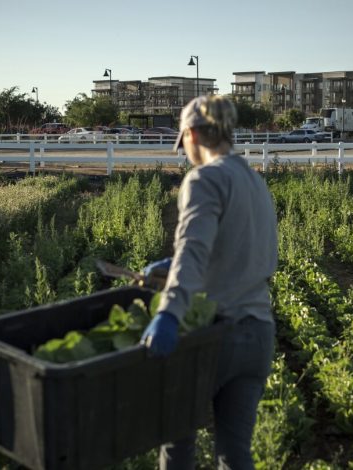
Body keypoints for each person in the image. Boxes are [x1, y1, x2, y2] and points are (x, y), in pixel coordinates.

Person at [140, 95, 278, 470]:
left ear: (195, 133)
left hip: (215, 339)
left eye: (182, 139)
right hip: (259, 335)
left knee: (177, 443)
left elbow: (193, 254)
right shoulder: (254, 180)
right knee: (234, 452)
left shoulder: (204, 178)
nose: (184, 150)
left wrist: (169, 314)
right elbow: (253, 253)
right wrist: (175, 263)